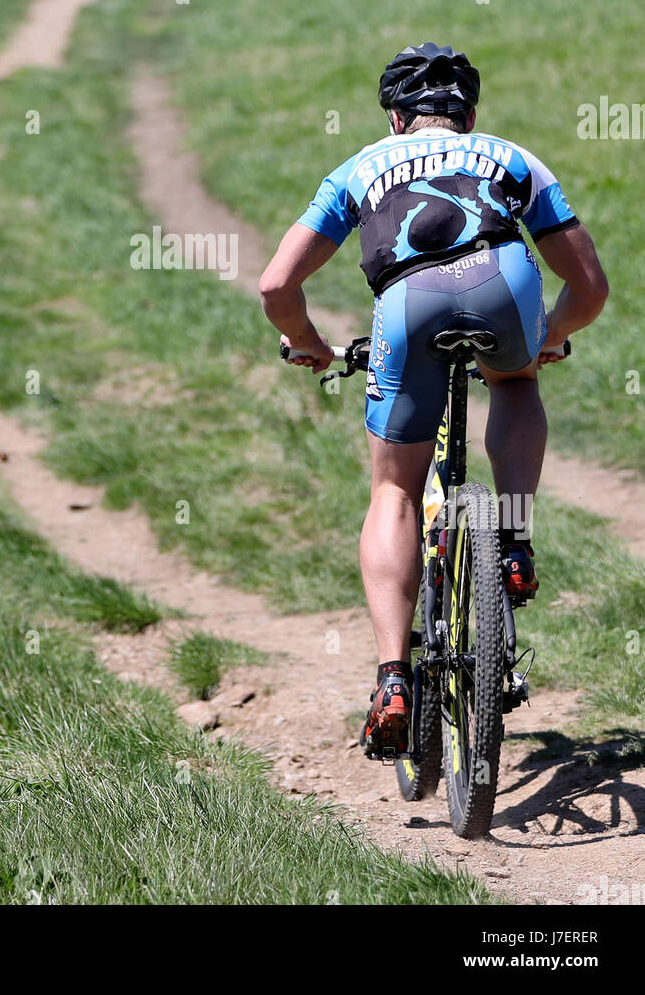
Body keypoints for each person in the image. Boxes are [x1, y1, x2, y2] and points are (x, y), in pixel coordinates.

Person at [259, 43, 608, 757]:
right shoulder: (510, 157)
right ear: (469, 115)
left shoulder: (360, 167)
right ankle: (511, 544)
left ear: (394, 118)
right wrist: (546, 335)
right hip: (502, 282)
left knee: (392, 492)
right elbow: (590, 286)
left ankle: (392, 677)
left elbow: (274, 286)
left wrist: (312, 344)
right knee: (513, 380)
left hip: (406, 305)